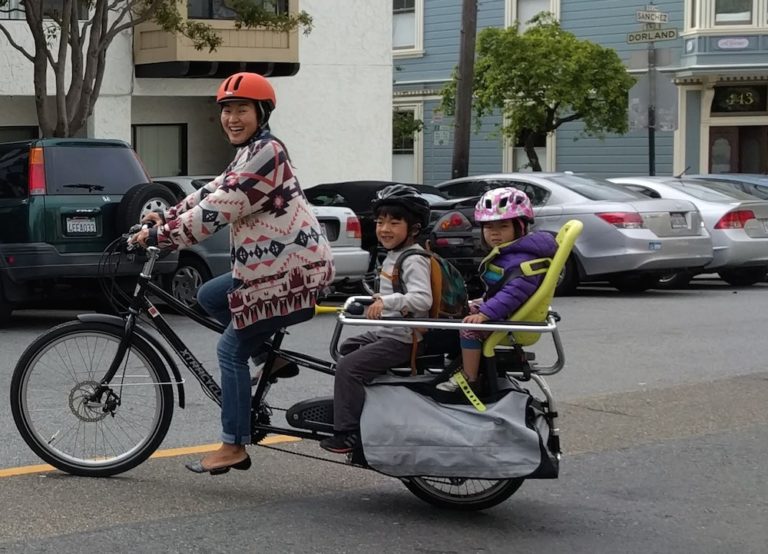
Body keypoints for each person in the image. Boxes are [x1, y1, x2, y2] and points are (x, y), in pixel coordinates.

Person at [132, 72, 335, 474]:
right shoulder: (251, 152)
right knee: (209, 296)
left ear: (261, 113)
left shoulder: (267, 153)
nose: (232, 118)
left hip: (291, 274)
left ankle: (234, 444)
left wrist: (161, 236)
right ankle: (272, 358)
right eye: (226, 110)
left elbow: (216, 211)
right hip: (268, 271)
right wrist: (166, 214)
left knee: (230, 350)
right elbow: (211, 191)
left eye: (242, 109)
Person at [319, 185, 433, 454]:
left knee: (348, 367)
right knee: (348, 348)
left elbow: (422, 299)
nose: (384, 229)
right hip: (392, 331)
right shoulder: (396, 255)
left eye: (394, 223)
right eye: (380, 222)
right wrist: (376, 301)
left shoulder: (413, 259)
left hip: (404, 338)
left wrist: (387, 302)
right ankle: (374, 405)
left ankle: (347, 433)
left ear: (414, 228)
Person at [436, 187, 557, 392]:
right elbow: (501, 290)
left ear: (520, 227)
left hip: (510, 320)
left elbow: (513, 293)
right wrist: (480, 303)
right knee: (458, 312)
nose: (494, 232)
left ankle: (469, 377)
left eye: (503, 226)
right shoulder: (511, 254)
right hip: (507, 313)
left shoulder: (522, 260)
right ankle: (462, 363)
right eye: (488, 226)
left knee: (469, 329)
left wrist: (484, 313)